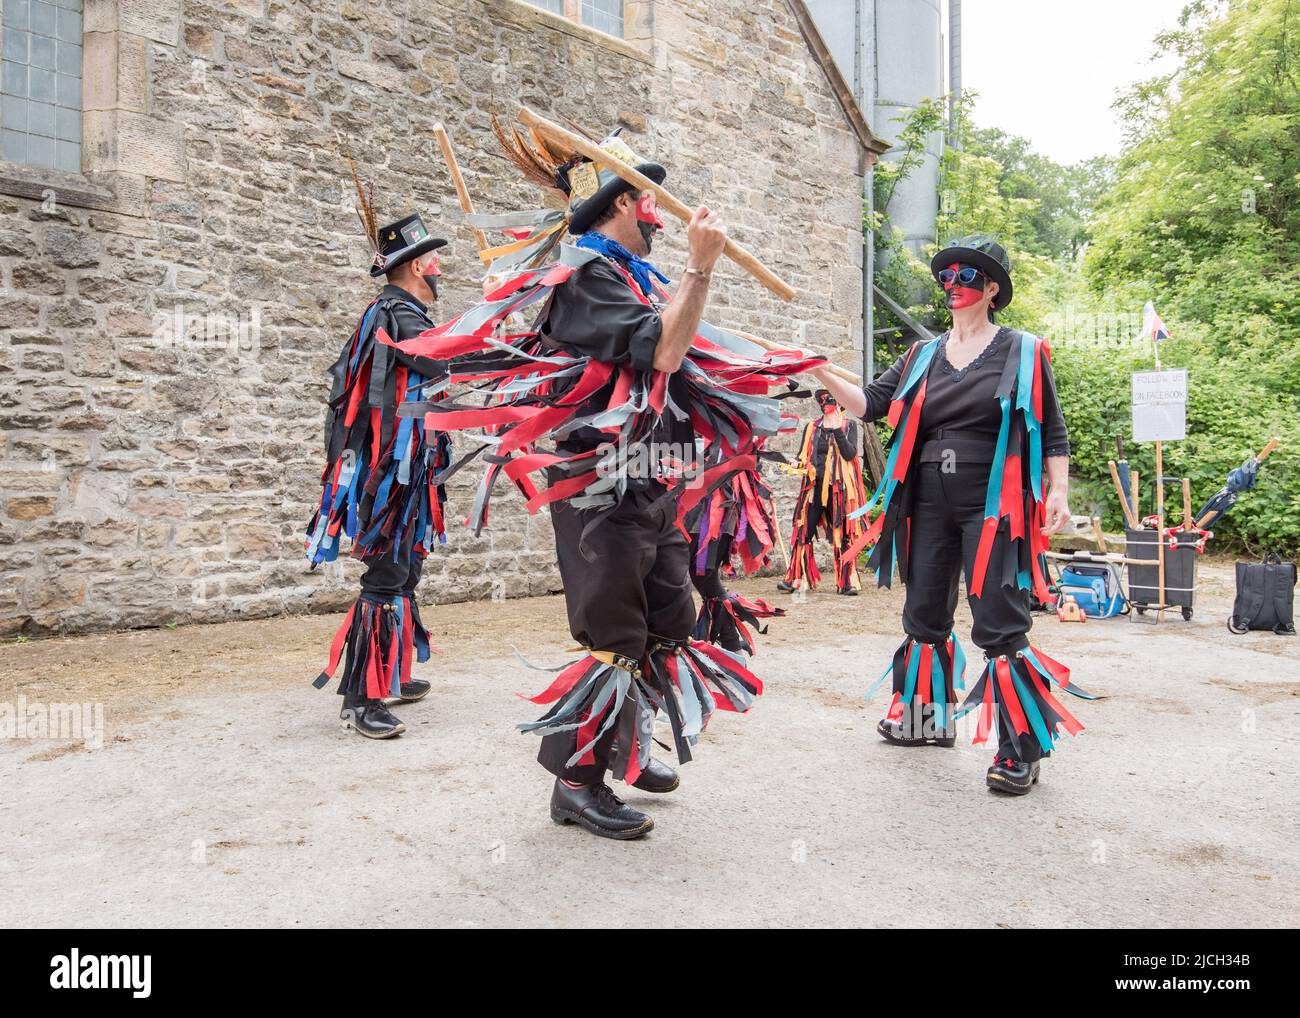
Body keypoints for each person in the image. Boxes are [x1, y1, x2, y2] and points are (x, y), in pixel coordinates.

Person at [383, 127, 821, 838]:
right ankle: (576, 784)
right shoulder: (585, 277)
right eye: (647, 199)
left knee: (668, 626)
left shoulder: (631, 277)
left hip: (655, 485)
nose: (659, 211)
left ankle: (623, 740)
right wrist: (702, 268)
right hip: (601, 491)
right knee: (615, 632)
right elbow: (668, 352)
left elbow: (689, 354)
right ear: (619, 205)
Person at [812, 235, 1095, 795]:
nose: (953, 284)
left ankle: (1020, 751)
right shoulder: (922, 354)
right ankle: (925, 722)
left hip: (994, 504)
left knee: (998, 619)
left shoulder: (1024, 350)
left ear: (992, 290)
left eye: (968, 276)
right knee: (922, 614)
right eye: (947, 276)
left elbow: (1053, 430)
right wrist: (819, 367)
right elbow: (870, 404)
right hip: (925, 499)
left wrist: (1057, 490)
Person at [306, 206, 453, 740]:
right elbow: (441, 362)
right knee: (388, 574)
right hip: (386, 477)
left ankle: (389, 670)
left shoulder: (398, 313)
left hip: (406, 477)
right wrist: (494, 332)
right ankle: (360, 698)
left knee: (405, 572)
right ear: (415, 267)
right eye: (433, 258)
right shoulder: (400, 316)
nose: (439, 267)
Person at [685, 446, 785, 655]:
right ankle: (730, 646)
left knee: (694, 577)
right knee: (702, 579)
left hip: (713, 509)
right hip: (700, 506)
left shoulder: (730, 424)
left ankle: (691, 649)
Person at [778, 389, 868, 595]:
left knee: (842, 534)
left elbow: (849, 454)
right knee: (804, 530)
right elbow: (804, 456)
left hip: (840, 490)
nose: (825, 402)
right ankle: (796, 579)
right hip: (815, 489)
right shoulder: (812, 427)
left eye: (829, 399)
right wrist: (796, 462)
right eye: (822, 399)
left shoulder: (848, 426)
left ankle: (847, 582)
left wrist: (837, 430)